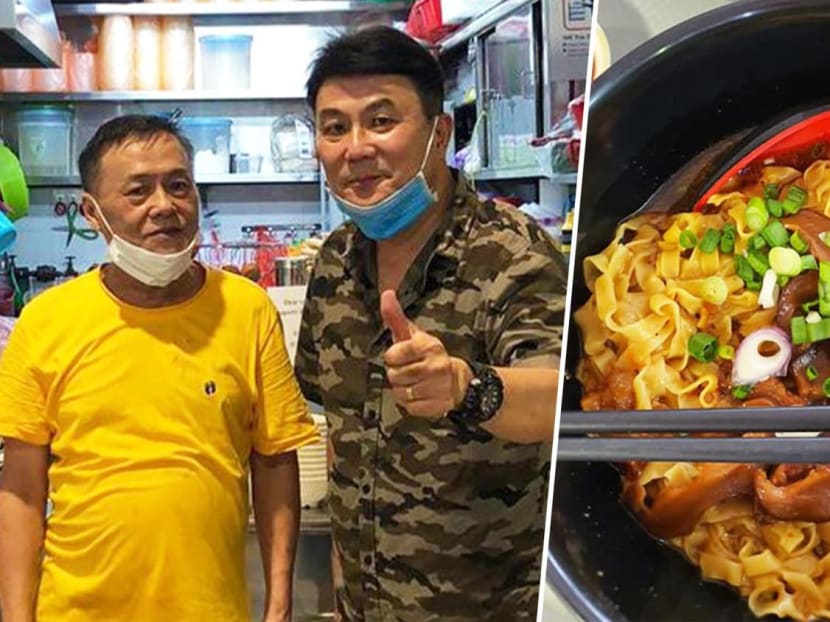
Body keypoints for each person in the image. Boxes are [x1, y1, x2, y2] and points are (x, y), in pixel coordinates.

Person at [295, 26, 567, 622]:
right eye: (334, 127)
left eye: (381, 121)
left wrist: (466, 387)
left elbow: (557, 400)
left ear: (438, 133)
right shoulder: (335, 262)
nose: (356, 147)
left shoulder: (514, 252)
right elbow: (342, 444)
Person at [0, 114, 319, 622]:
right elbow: (20, 488)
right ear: (92, 213)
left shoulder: (248, 310)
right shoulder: (44, 322)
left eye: (178, 186)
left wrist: (278, 605)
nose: (164, 207)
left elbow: (275, 461)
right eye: (137, 191)